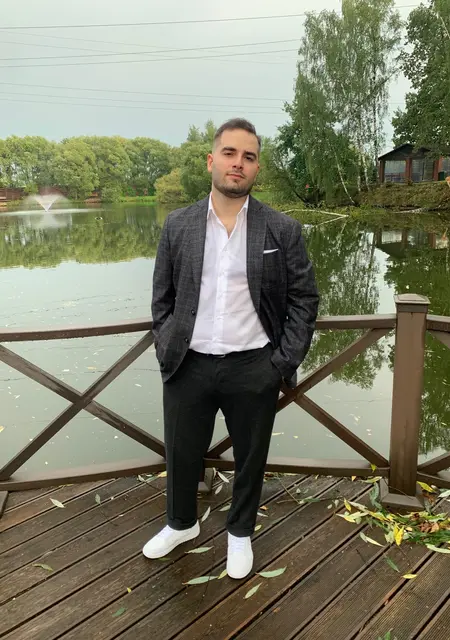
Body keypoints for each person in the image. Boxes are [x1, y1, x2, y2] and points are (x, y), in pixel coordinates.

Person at [143, 118, 319, 579]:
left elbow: (305, 299)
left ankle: (240, 532)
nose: (238, 163)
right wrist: (166, 347)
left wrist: (281, 362)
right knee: (181, 452)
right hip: (188, 363)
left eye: (248, 156)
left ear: (257, 167)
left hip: (254, 365)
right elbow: (161, 299)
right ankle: (181, 523)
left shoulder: (282, 229)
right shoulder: (178, 225)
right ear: (211, 161)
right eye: (229, 153)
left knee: (250, 456)